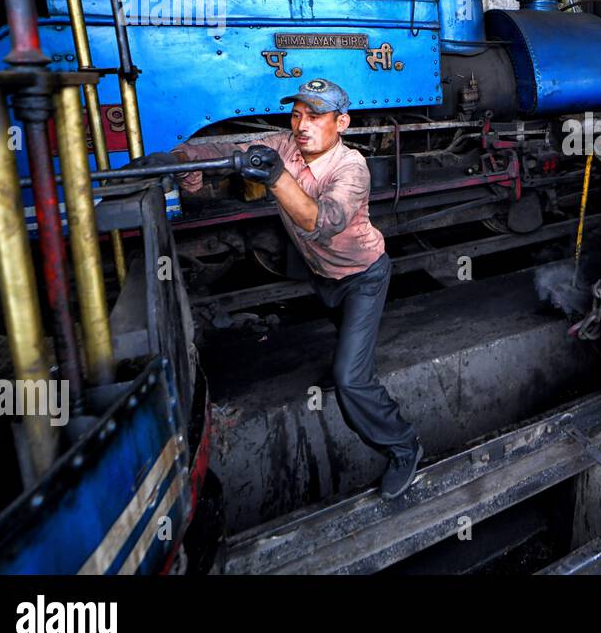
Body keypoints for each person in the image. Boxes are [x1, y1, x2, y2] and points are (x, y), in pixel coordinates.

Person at [132, 78, 423, 500]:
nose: (302, 125)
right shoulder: (285, 144)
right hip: (322, 276)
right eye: (297, 114)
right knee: (344, 336)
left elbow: (320, 222)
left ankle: (403, 447)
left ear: (341, 122)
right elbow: (225, 151)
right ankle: (350, 360)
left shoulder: (351, 167)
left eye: (316, 116)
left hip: (363, 277)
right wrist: (177, 159)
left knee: (350, 380)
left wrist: (277, 176)